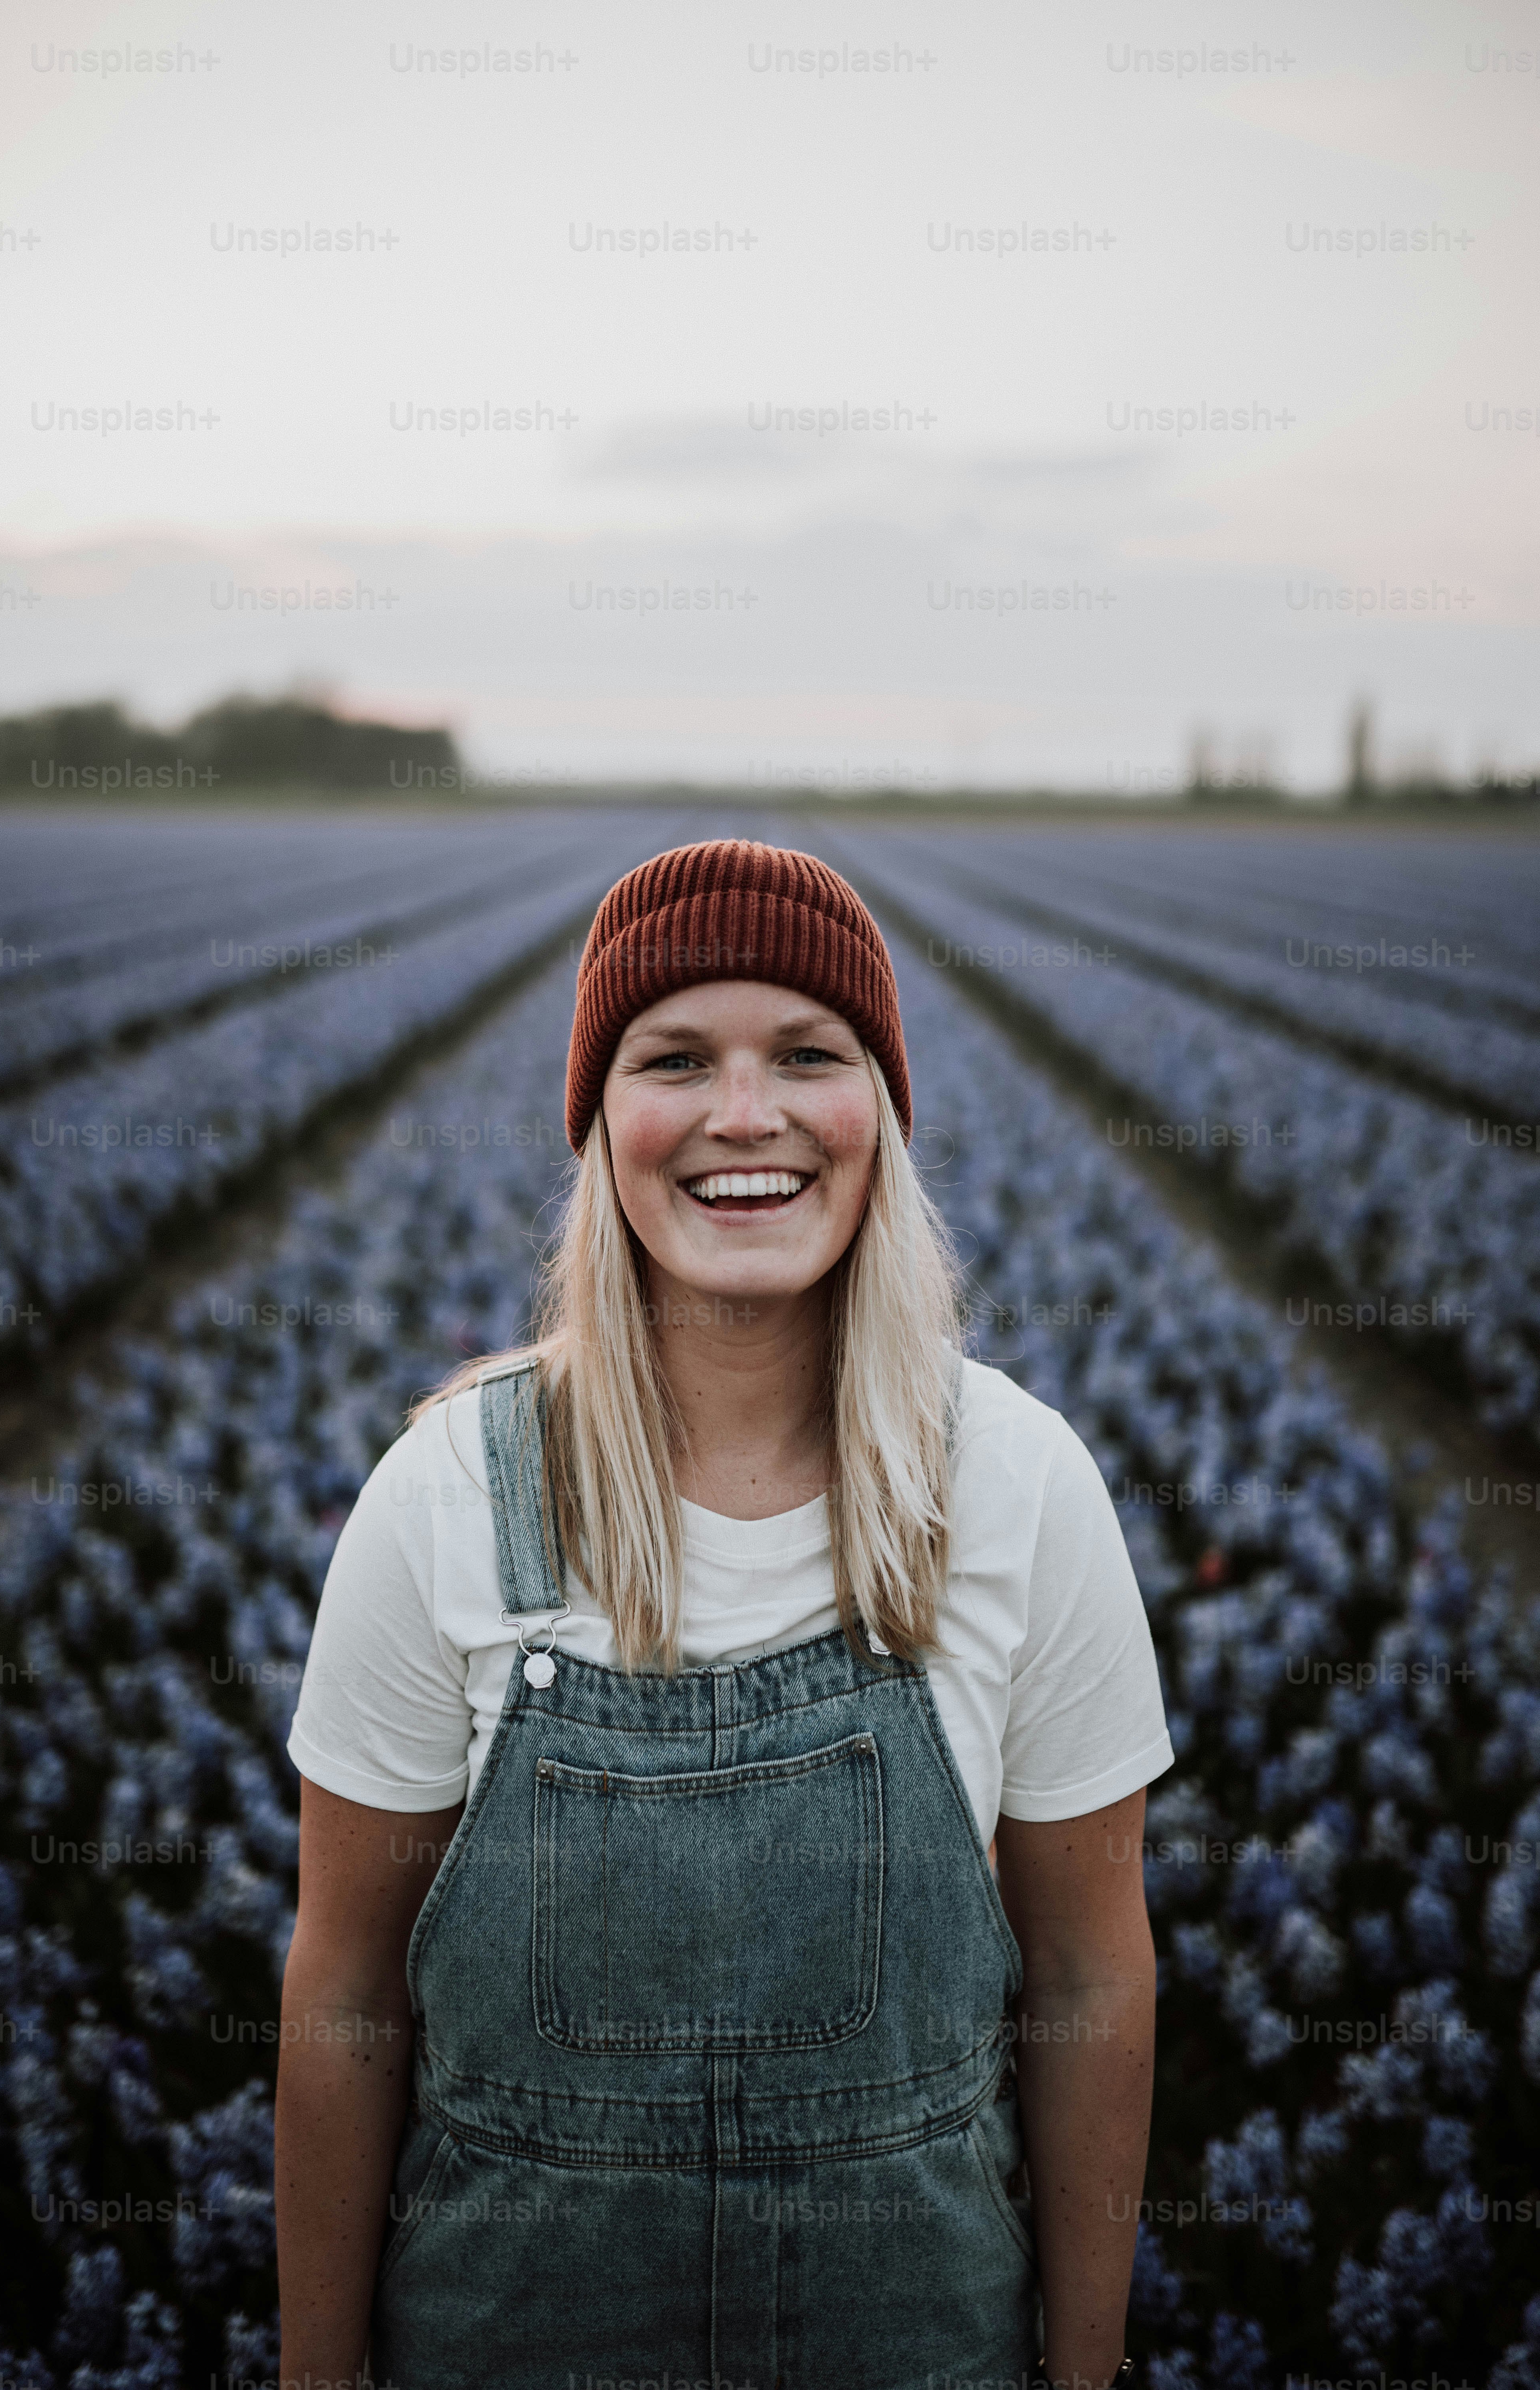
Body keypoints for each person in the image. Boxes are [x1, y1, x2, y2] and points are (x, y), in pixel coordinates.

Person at [275, 839, 1172, 2390]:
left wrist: (1083, 2373)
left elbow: (1092, 1984)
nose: (742, 1117)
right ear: (599, 1122)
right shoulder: (445, 1495)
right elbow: (345, 1996)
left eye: (808, 1057)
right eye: (673, 1058)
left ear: (879, 1117)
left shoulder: (1018, 1485)